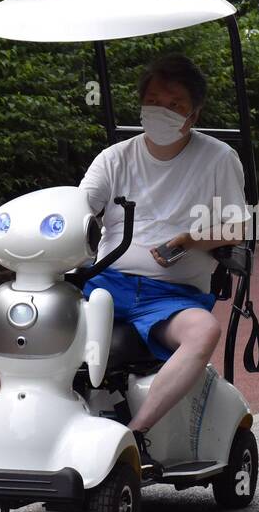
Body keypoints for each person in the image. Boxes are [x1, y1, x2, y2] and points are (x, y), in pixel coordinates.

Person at [79, 54, 248, 463]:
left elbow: (238, 227)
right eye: (154, 101)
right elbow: (77, 210)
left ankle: (133, 438)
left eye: (174, 104)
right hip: (108, 286)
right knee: (35, 315)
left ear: (194, 112)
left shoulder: (218, 158)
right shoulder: (115, 157)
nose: (162, 111)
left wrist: (191, 239)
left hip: (172, 296)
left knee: (204, 331)